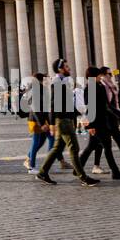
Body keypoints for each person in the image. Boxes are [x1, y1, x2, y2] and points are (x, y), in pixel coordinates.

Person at [35, 58, 98, 187]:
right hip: (63, 120)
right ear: (60, 69)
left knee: (57, 148)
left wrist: (82, 116)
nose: (69, 68)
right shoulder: (57, 82)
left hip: (66, 118)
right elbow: (53, 104)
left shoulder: (64, 82)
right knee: (74, 148)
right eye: (66, 66)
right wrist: (52, 123)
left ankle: (42, 172)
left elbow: (68, 104)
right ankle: (83, 177)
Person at [24, 74, 52, 171]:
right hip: (36, 121)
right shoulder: (35, 90)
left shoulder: (41, 89)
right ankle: (31, 167)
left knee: (42, 141)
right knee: (36, 142)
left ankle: (32, 160)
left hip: (41, 120)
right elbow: (35, 108)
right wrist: (42, 123)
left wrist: (49, 122)